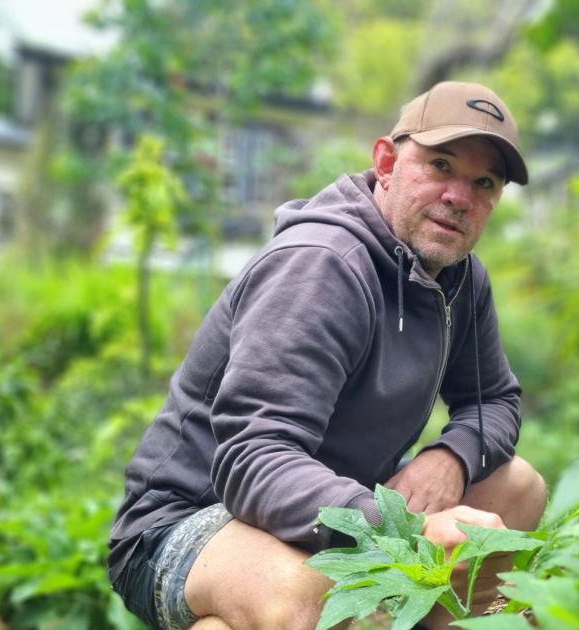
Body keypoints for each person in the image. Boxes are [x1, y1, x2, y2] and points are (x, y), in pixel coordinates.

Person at [107, 81, 547, 630]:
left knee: (518, 488)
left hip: (330, 510)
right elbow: (254, 460)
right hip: (192, 519)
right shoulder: (320, 267)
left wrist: (451, 458)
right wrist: (399, 530)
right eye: (440, 165)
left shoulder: (460, 279)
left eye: (484, 182)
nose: (460, 196)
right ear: (386, 161)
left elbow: (497, 401)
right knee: (310, 600)